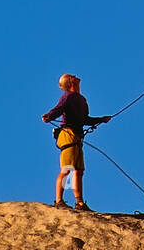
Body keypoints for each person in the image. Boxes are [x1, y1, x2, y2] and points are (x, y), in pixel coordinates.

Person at [42, 73, 110, 211]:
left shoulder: (81, 99)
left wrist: (101, 119)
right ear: (70, 82)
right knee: (67, 168)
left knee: (78, 171)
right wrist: (49, 116)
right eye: (72, 76)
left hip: (76, 137)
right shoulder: (67, 96)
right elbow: (59, 109)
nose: (75, 76)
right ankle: (59, 200)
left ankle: (79, 203)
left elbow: (85, 119)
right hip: (68, 135)